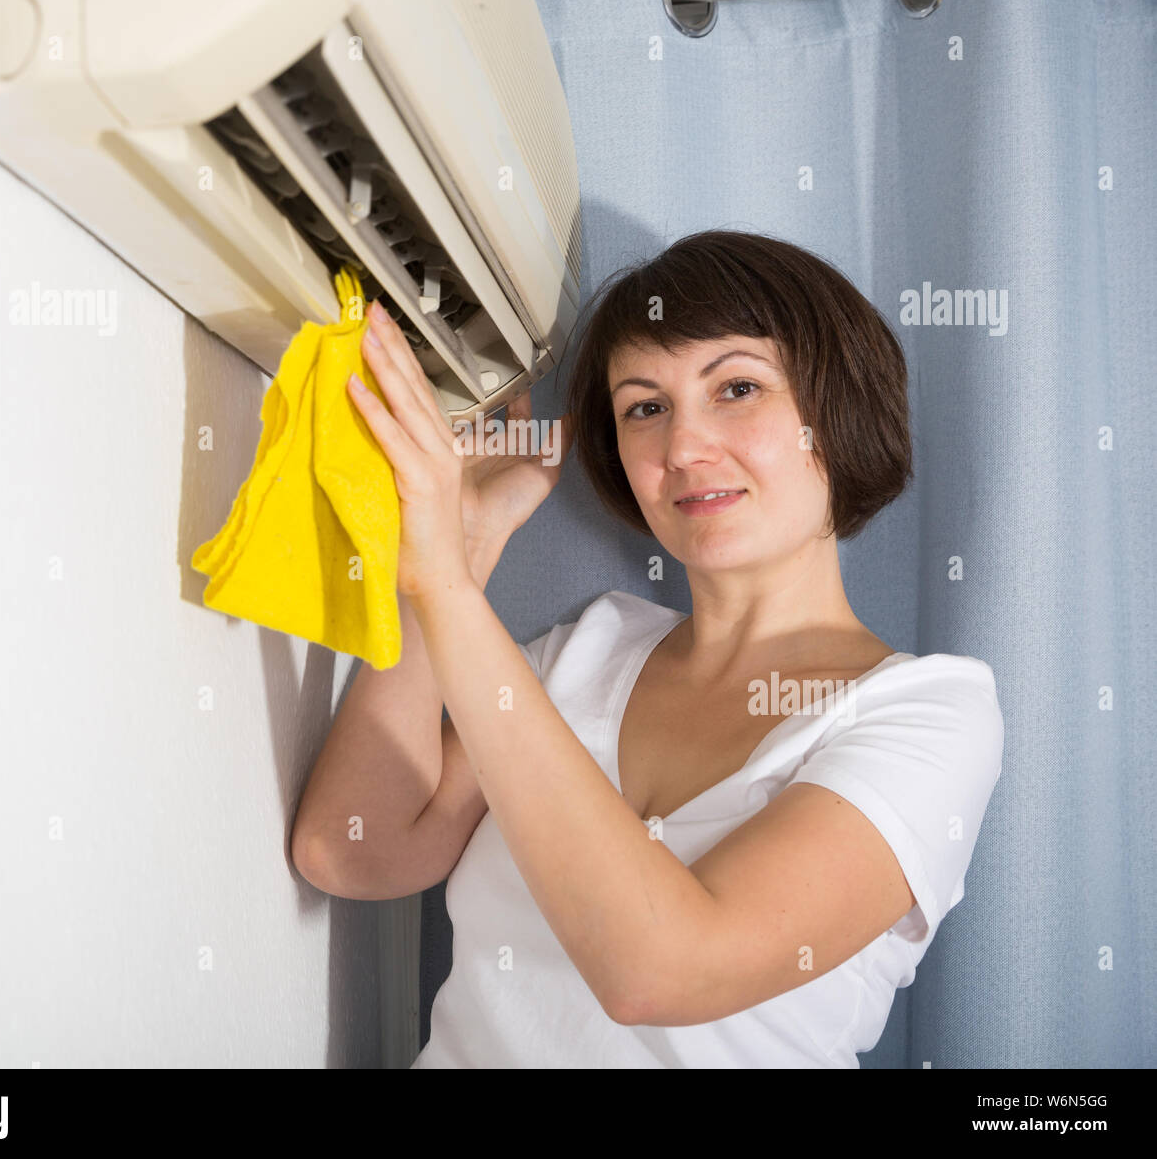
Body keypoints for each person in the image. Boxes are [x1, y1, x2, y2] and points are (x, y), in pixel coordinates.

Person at [292, 228, 1004, 1068]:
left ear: (838, 409)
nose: (683, 448)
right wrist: (462, 553)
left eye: (738, 387)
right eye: (645, 407)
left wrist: (444, 586)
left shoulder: (931, 715)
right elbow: (351, 846)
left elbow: (661, 972)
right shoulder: (582, 651)